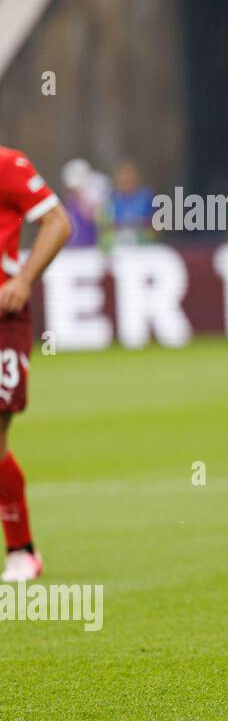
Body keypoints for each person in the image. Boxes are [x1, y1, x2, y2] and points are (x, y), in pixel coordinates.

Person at [0, 147, 72, 581]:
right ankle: (22, 549)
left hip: (3, 317)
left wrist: (23, 280)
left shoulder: (8, 164)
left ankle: (22, 552)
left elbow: (58, 222)